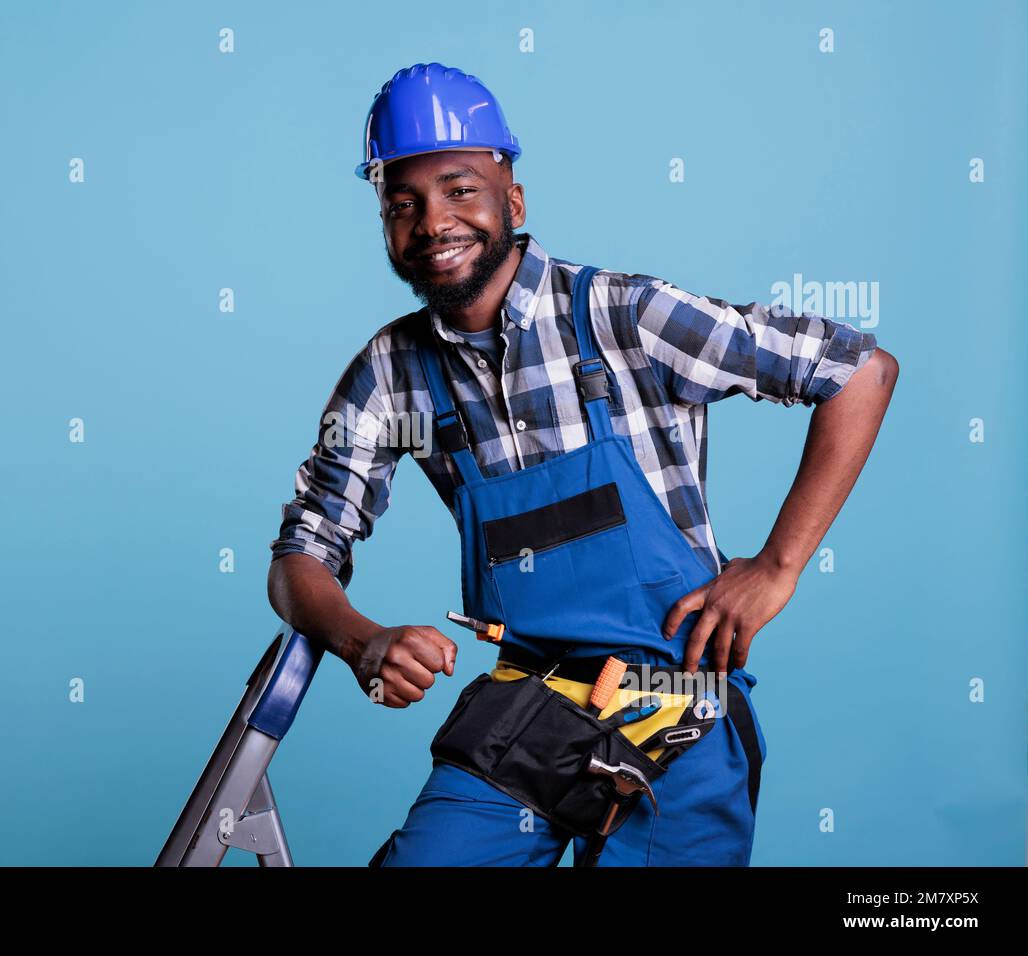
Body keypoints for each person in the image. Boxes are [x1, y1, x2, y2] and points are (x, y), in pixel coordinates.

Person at [267, 63, 899, 866]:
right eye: (403, 204)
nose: (433, 222)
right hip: (526, 705)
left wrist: (779, 565)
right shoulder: (391, 372)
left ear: (513, 202)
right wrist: (362, 644)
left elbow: (860, 372)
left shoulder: (623, 316)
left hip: (680, 703)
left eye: (459, 189)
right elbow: (299, 557)